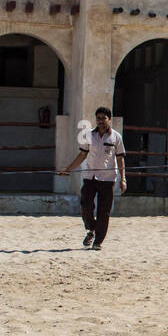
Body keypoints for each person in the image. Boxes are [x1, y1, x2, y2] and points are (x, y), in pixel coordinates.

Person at [59, 107, 126, 250]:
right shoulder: (88, 135)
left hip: (108, 179)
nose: (101, 121)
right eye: (98, 118)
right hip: (90, 177)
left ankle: (98, 242)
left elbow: (120, 159)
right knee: (86, 207)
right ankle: (92, 228)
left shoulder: (116, 137)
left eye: (104, 118)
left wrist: (123, 179)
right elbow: (82, 155)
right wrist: (68, 169)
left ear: (109, 119)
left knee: (104, 211)